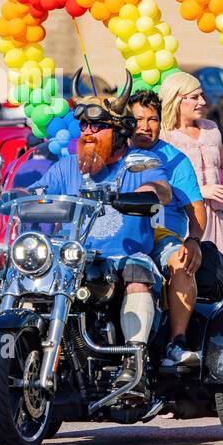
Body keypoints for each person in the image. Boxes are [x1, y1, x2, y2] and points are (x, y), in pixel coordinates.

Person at [42, 78, 171, 393]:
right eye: (84, 125)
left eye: (97, 126)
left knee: (138, 272)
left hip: (122, 256)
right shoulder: (67, 167)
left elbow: (161, 189)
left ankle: (134, 361)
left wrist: (147, 193)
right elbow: (39, 193)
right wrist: (14, 196)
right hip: (74, 258)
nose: (87, 133)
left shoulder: (136, 165)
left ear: (120, 133)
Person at [130, 89, 206, 368]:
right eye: (138, 119)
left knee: (180, 260)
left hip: (161, 235)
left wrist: (194, 240)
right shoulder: (115, 153)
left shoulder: (174, 159)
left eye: (152, 120)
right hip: (120, 235)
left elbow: (196, 207)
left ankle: (176, 342)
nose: (145, 126)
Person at [156, 71, 223, 255]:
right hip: (182, 220)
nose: (202, 101)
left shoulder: (211, 129)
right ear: (175, 99)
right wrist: (201, 191)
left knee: (215, 277)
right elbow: (158, 185)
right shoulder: (162, 137)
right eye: (194, 97)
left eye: (202, 95)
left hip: (216, 220)